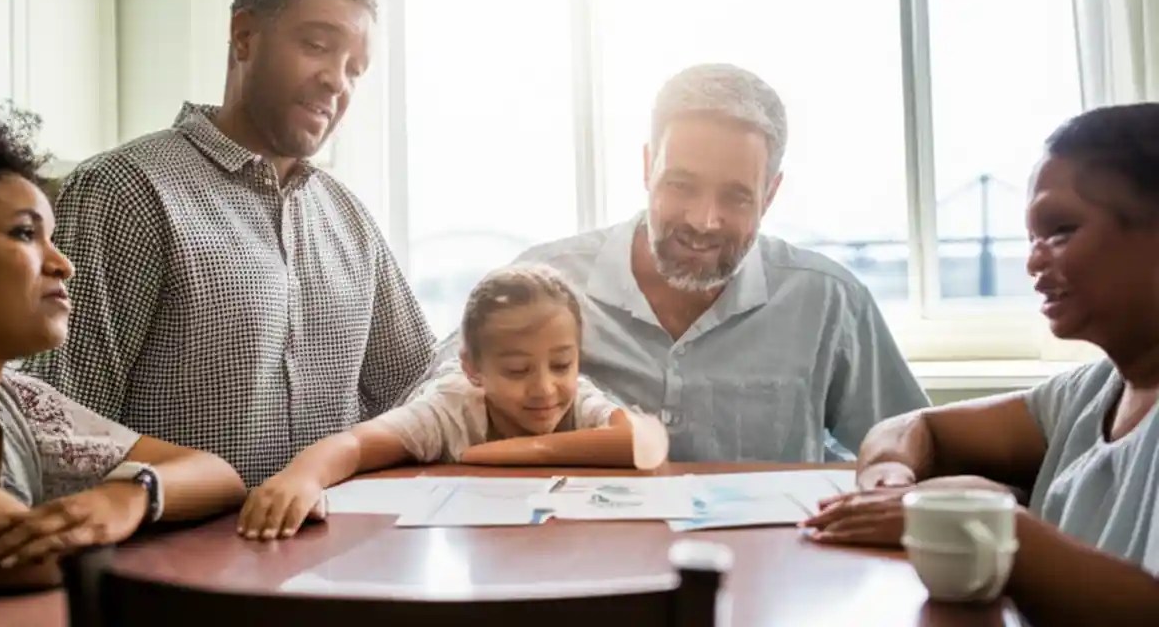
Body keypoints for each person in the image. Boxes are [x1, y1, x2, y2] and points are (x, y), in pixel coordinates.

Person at [23, 0, 436, 486]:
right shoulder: (126, 189)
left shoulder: (348, 217)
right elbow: (62, 424)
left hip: (332, 556)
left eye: (355, 70)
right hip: (171, 558)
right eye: (317, 46)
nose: (338, 82)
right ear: (244, 37)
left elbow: (419, 390)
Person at [425, 63, 929, 463]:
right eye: (681, 185)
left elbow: (914, 441)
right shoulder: (546, 283)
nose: (704, 221)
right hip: (583, 566)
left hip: (765, 576)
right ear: (648, 168)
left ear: (770, 194)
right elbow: (434, 398)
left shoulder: (828, 301)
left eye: (735, 197)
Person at [0, 60, 246, 601]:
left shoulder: (21, 405)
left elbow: (219, 477)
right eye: (25, 234)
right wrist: (114, 510)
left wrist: (131, 495)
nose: (62, 264)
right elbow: (22, 560)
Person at [803, 104, 1159, 625]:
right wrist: (888, 478)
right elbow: (915, 428)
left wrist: (993, 528)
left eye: (1060, 230)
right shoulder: (1090, 393)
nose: (1034, 261)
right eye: (1033, 238)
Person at [237, 265, 669, 539]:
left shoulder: (575, 394)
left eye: (561, 364)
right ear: (473, 369)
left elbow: (645, 442)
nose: (544, 389)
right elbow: (355, 445)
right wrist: (303, 476)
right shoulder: (450, 407)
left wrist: (499, 453)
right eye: (518, 370)